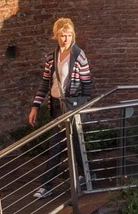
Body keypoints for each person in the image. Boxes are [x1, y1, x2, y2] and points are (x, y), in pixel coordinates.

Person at [27, 17, 91, 199]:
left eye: (69, 35)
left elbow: (87, 85)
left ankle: (46, 185)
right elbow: (46, 83)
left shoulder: (79, 55)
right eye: (62, 36)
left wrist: (83, 109)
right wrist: (35, 106)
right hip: (56, 106)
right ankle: (87, 174)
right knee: (75, 144)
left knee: (57, 144)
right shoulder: (51, 57)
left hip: (72, 107)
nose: (66, 39)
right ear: (56, 36)